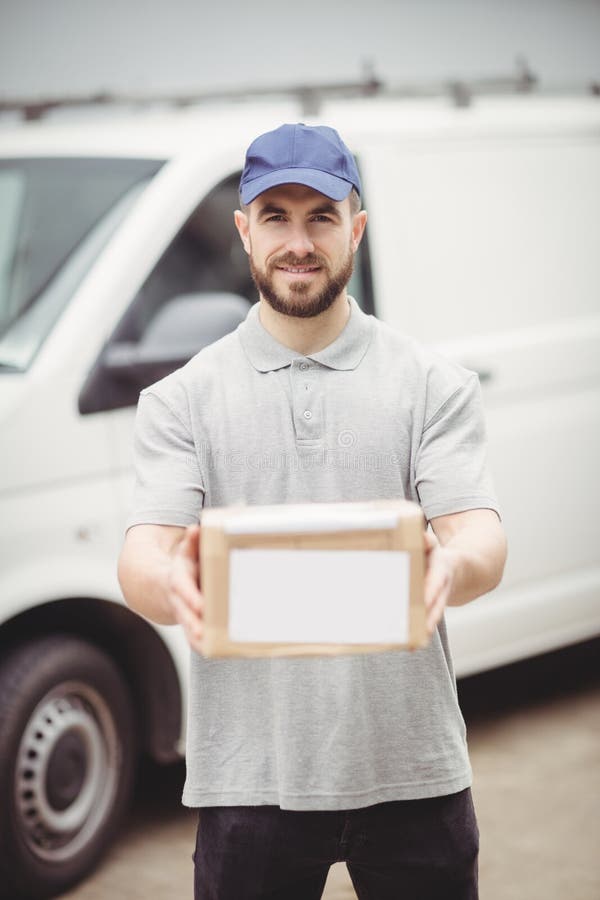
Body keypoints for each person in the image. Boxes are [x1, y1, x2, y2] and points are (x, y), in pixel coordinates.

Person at [118, 122, 507, 900]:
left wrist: (452, 564)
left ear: (355, 229)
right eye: (276, 217)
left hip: (414, 773)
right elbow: (142, 560)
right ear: (244, 232)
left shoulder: (432, 383)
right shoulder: (180, 400)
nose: (299, 241)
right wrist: (174, 584)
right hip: (248, 782)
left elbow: (481, 540)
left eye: (321, 217)